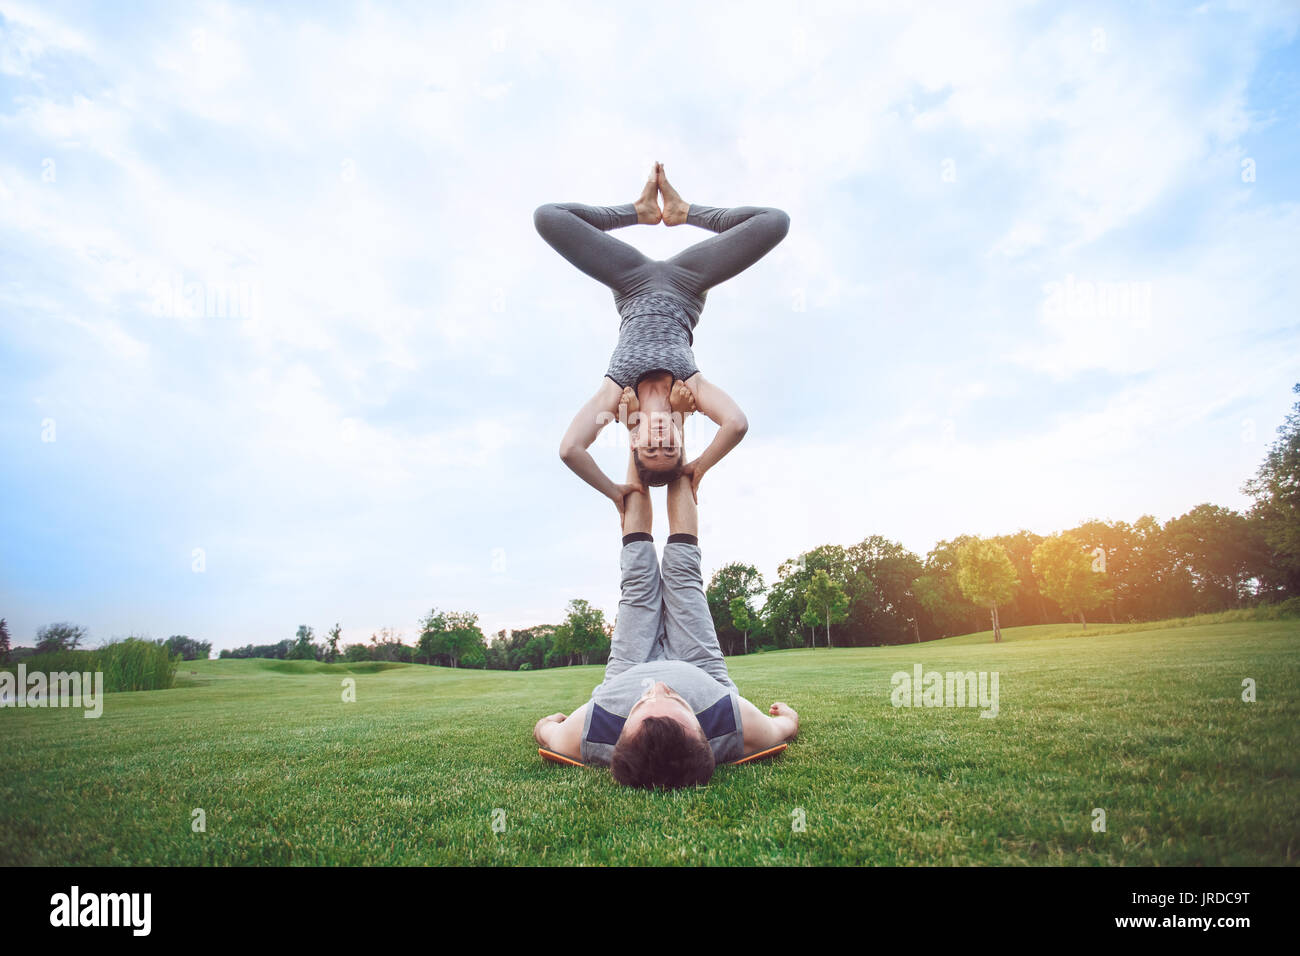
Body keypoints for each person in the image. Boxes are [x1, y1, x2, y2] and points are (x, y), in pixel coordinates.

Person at [532, 439, 799, 790]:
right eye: (675, 700)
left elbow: (546, 732)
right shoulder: (734, 725)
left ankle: (636, 439)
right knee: (683, 572)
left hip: (627, 669)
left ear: (619, 735)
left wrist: (549, 722)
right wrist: (789, 719)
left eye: (643, 704)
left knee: (638, 577)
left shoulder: (589, 735)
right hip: (702, 669)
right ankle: (674, 434)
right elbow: (784, 729)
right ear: (705, 731)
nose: (658, 688)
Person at [535, 162, 789, 514]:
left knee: (548, 218)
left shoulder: (615, 394)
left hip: (630, 282)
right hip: (687, 285)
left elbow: (569, 450)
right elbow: (737, 423)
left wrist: (613, 491)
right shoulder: (692, 390)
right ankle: (683, 211)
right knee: (774, 222)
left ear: (634, 440)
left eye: (649, 450)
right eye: (669, 449)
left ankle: (638, 211)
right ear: (680, 439)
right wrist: (699, 467)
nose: (659, 442)